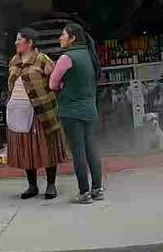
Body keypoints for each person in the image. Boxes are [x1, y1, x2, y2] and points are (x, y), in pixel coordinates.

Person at [6, 28, 68, 200]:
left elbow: (57, 81)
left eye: (19, 39)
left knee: (46, 147)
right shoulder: (14, 60)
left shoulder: (42, 60)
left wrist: (48, 99)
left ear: (30, 42)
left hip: (40, 111)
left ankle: (51, 184)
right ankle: (32, 185)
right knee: (26, 148)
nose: (16, 42)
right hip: (19, 111)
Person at [49, 23, 104, 204]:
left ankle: (84, 192)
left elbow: (52, 83)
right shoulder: (90, 55)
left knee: (78, 151)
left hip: (71, 111)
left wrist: (63, 84)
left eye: (63, 35)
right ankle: (97, 189)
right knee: (91, 148)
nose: (60, 38)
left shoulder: (66, 58)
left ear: (72, 38)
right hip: (90, 109)